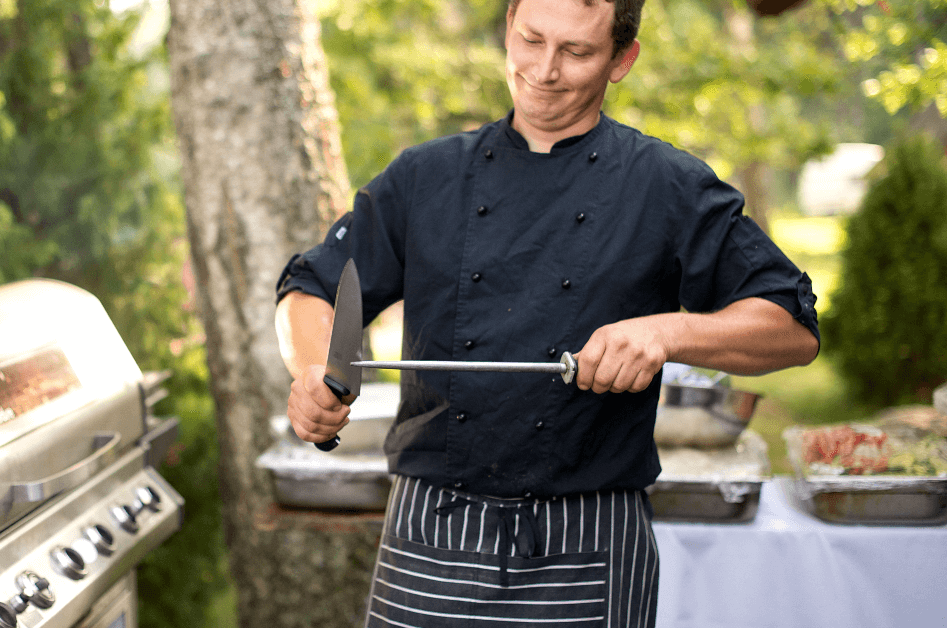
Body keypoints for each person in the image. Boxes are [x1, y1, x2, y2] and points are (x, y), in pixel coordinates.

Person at [274, 0, 820, 625]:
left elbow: (791, 326)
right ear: (508, 26)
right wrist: (314, 372)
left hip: (591, 538)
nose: (544, 69)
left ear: (622, 60)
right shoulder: (425, 176)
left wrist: (668, 332)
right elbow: (310, 287)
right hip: (430, 531)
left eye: (576, 51)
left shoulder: (665, 184)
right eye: (531, 39)